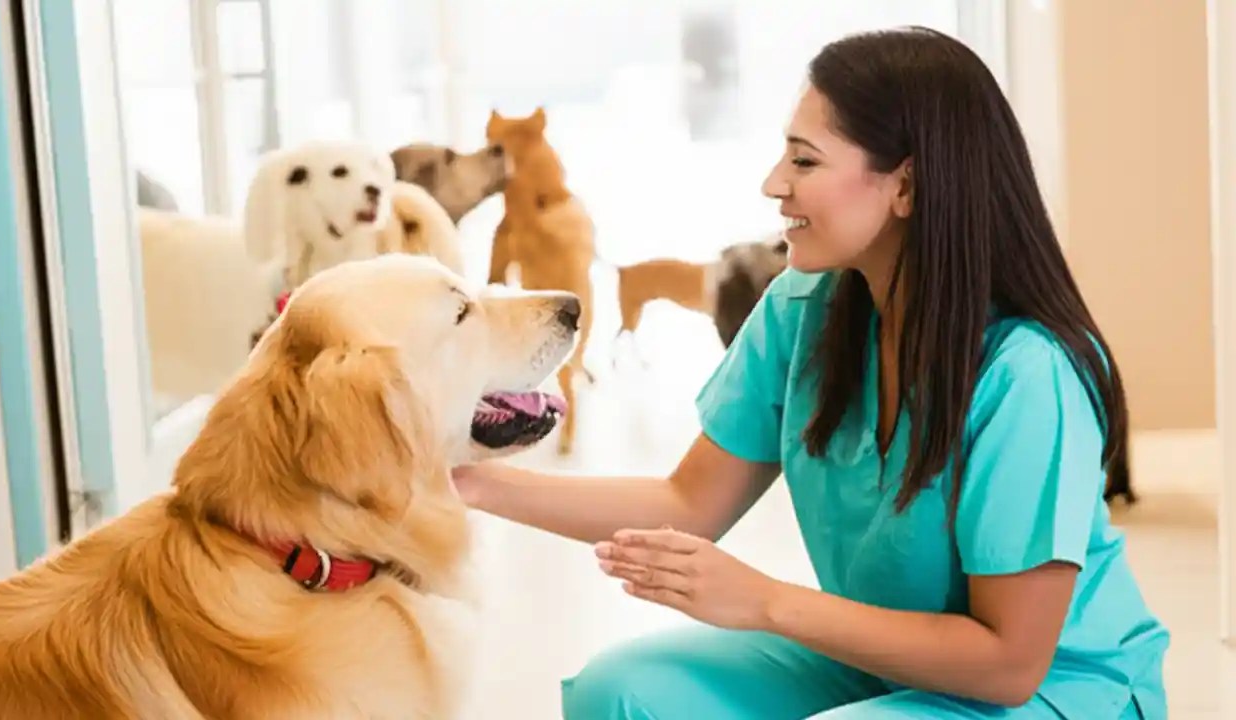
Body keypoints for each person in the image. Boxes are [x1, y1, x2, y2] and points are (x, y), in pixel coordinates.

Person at [451, 26, 1169, 719]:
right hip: (881, 653)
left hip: (1058, 691)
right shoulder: (804, 310)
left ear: (906, 186)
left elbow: (1009, 664)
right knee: (622, 689)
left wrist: (766, 600)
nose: (773, 184)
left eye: (804, 160)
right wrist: (469, 480)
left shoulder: (1027, 375)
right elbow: (687, 500)